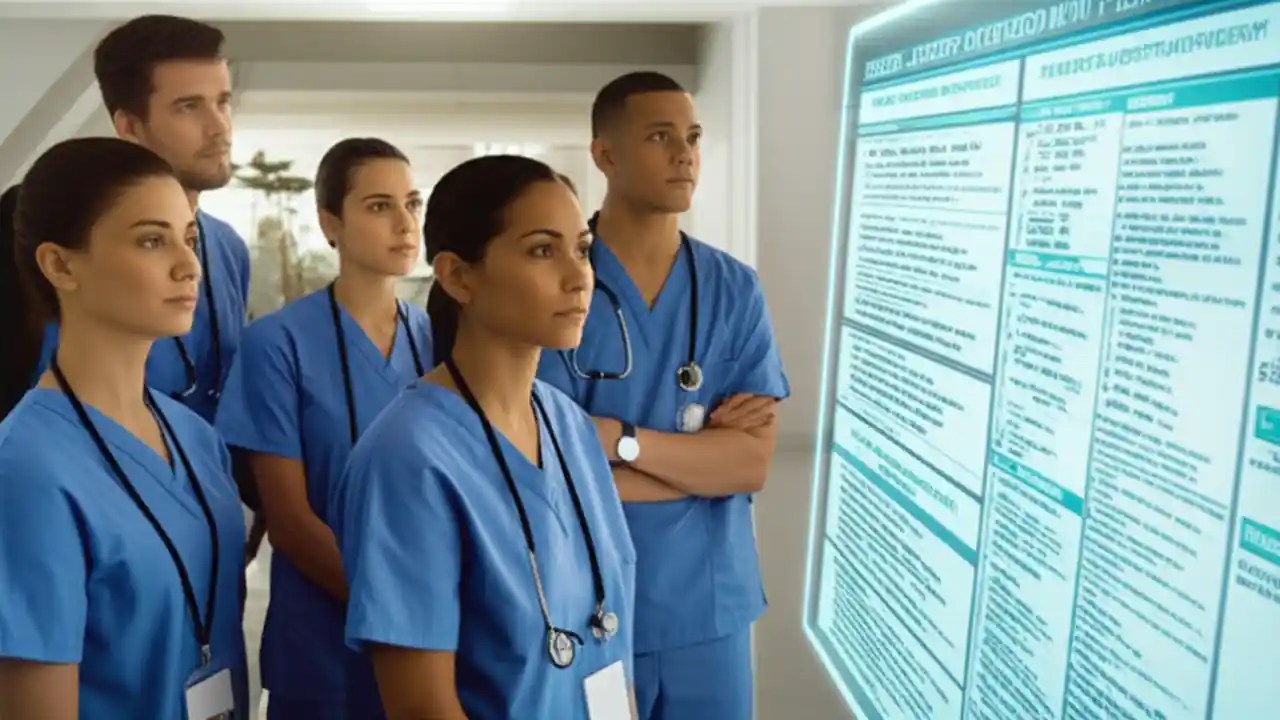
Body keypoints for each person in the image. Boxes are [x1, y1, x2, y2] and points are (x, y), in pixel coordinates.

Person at [329, 155, 637, 719]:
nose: (579, 276)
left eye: (582, 248)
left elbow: (609, 645)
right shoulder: (408, 458)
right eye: (542, 250)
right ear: (457, 276)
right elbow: (424, 709)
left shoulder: (566, 422)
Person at [537, 71, 790, 720]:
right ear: (605, 154)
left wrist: (619, 441)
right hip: (585, 612)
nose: (685, 154)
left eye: (694, 137)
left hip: (710, 615)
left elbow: (749, 464)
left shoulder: (734, 289)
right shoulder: (556, 282)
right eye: (660, 136)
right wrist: (701, 464)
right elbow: (548, 470)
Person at [0, 138, 249, 719]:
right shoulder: (27, 472)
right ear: (60, 265)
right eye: (150, 240)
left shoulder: (195, 438)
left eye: (189, 239)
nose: (189, 266)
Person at [216, 137, 433, 718]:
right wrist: (401, 619)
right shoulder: (277, 343)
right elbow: (288, 522)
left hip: (432, 652)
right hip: (324, 645)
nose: (405, 222)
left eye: (412, 203)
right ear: (330, 222)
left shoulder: (438, 340)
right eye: (379, 206)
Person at [36, 15, 250, 425]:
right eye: (189, 107)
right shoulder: (80, 252)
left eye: (222, 102)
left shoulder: (228, 249)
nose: (219, 127)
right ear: (130, 127)